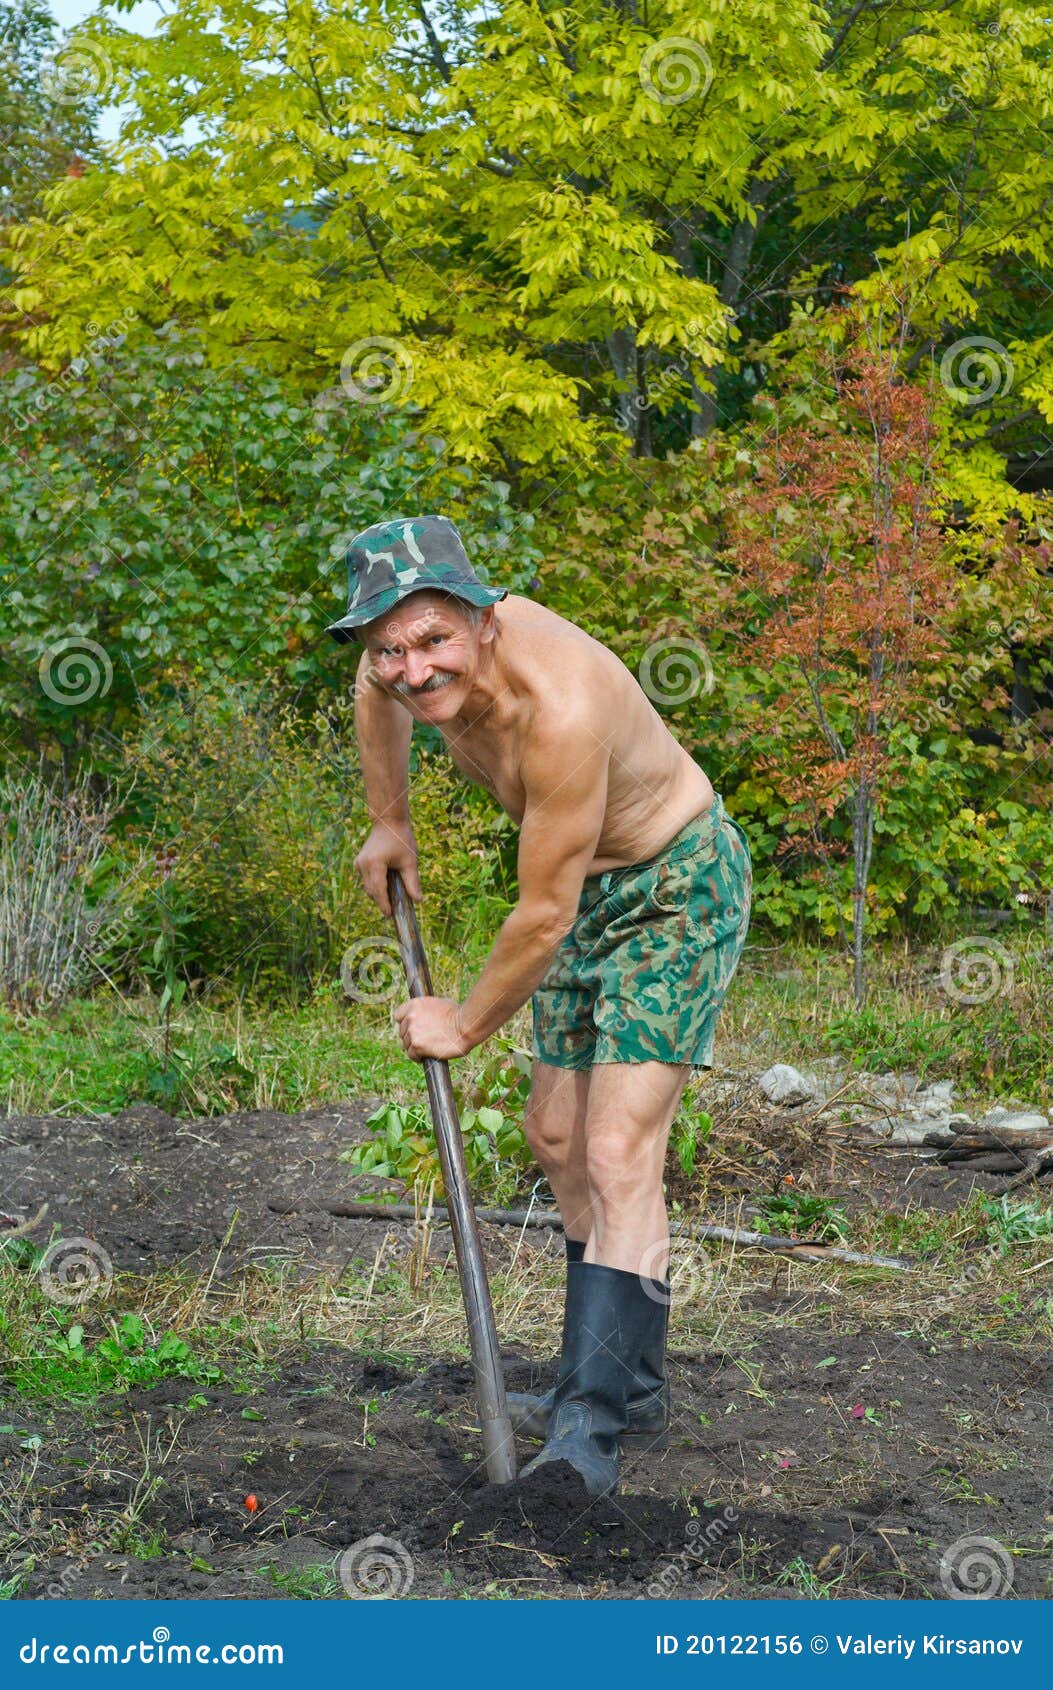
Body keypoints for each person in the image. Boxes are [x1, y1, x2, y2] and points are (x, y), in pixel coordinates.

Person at [328, 514, 752, 1497]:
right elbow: (372, 695)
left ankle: (590, 1425)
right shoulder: (391, 662)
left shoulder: (561, 706)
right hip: (586, 895)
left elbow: (542, 913)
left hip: (671, 888)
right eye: (390, 646)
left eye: (433, 639)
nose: (412, 667)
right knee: (557, 1139)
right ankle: (619, 1381)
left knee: (616, 1151)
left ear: (483, 619)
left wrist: (464, 1022)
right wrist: (389, 821)